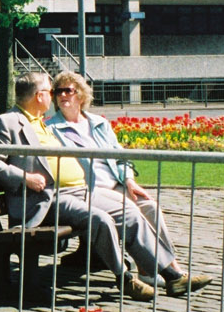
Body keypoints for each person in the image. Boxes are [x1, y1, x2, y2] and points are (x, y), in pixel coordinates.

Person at [0, 71, 181, 302]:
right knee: (100, 220)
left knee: (131, 212)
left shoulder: (40, 122)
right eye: (51, 91)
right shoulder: (8, 121)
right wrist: (26, 177)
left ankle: (172, 275)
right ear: (39, 96)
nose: (55, 96)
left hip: (78, 190)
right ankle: (123, 278)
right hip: (46, 198)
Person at [46, 71, 211, 297]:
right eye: (58, 91)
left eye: (69, 90)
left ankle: (162, 271)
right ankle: (170, 274)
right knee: (131, 211)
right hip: (89, 190)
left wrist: (129, 180)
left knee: (150, 207)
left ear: (81, 95)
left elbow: (120, 156)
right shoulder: (51, 129)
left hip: (114, 184)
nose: (63, 95)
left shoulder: (99, 124)